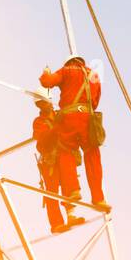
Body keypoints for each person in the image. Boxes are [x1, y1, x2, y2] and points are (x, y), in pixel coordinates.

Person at [39, 56, 110, 212]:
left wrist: (45, 73)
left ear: (69, 62)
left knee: (66, 150)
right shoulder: (94, 75)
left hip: (69, 118)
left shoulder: (66, 70)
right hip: (88, 119)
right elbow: (96, 101)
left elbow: (47, 82)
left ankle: (73, 190)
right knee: (92, 154)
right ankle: (98, 198)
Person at [31, 98, 85, 235]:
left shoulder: (59, 115)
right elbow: (42, 141)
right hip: (49, 161)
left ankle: (71, 215)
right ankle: (56, 224)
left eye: (46, 102)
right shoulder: (39, 122)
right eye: (41, 104)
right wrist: (56, 129)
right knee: (52, 192)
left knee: (69, 185)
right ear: (39, 106)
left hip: (63, 155)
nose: (45, 105)